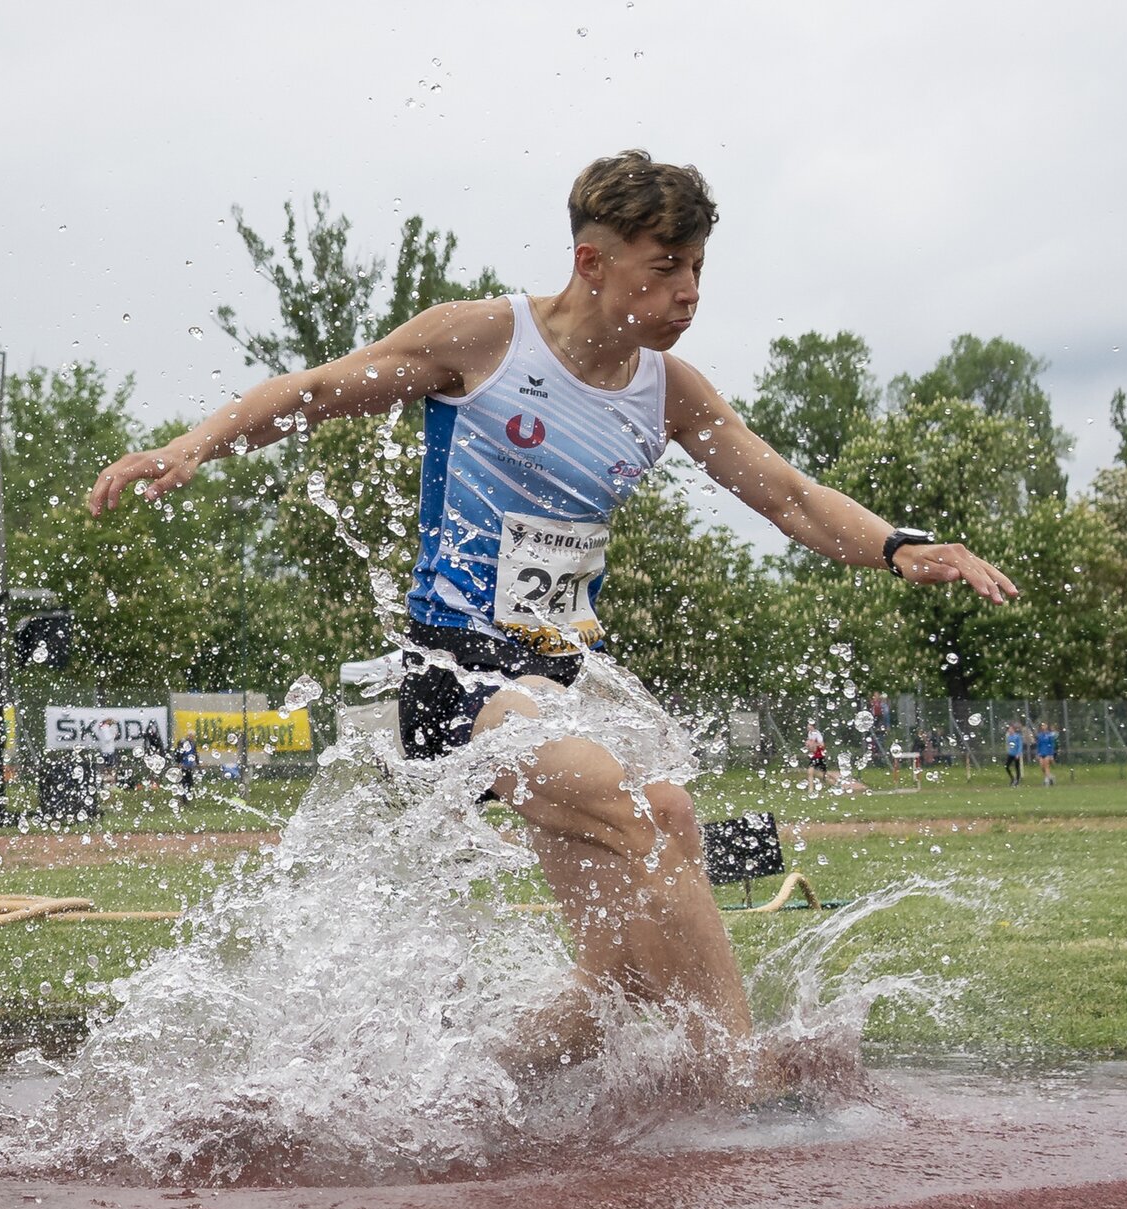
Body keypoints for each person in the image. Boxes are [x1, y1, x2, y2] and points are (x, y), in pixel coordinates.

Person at [89, 149, 1018, 1085]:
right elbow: (316, 391)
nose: (689, 293)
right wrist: (194, 445)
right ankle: (739, 1070)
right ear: (591, 262)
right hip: (458, 681)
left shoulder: (669, 390)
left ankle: (463, 1086)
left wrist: (899, 546)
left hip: (555, 680)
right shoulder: (486, 341)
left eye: (699, 268)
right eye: (666, 268)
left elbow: (789, 495)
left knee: (642, 899)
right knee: (634, 813)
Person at [803, 722, 827, 793]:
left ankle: (823, 784)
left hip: (819, 755)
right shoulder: (810, 734)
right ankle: (811, 789)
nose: (808, 728)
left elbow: (822, 744)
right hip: (814, 756)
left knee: (821, 774)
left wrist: (813, 743)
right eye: (807, 727)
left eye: (809, 727)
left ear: (813, 727)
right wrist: (809, 745)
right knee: (810, 772)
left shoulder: (817, 734)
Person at [1036, 720, 1058, 786]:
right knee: (1042, 767)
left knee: (1046, 766)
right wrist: (1038, 753)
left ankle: (1046, 780)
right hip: (1041, 753)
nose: (1043, 726)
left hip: (1047, 753)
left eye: (1044, 725)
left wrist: (1051, 754)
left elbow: (1051, 744)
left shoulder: (1049, 735)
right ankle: (1051, 777)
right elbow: (1038, 745)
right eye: (1042, 725)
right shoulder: (1040, 735)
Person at [1004, 721, 1024, 786]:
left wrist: (1018, 753)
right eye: (1009, 729)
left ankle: (1017, 780)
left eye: (1010, 729)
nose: (1009, 730)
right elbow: (1009, 745)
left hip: (1016, 754)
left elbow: (1020, 745)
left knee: (1017, 767)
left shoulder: (1017, 736)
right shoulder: (1009, 737)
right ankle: (1012, 778)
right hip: (1011, 754)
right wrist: (1008, 751)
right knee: (1006, 766)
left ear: (1013, 729)